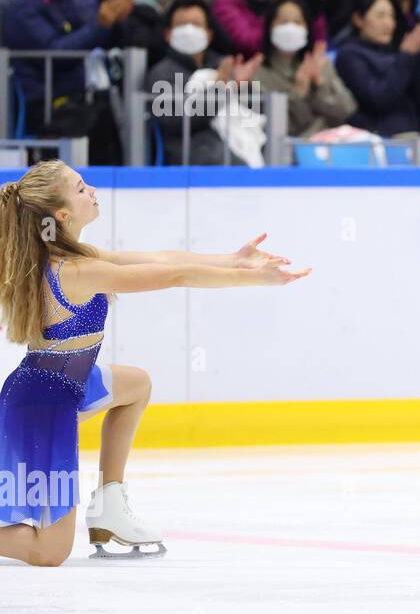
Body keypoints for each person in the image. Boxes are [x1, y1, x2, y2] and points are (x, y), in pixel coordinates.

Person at [0, 160, 308, 567]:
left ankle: (110, 502)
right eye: (79, 188)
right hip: (43, 407)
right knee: (50, 551)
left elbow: (163, 257)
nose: (91, 189)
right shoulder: (78, 271)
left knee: (135, 385)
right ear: (61, 215)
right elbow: (173, 276)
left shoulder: (79, 258)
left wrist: (234, 260)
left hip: (62, 386)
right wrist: (255, 279)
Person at [2, 0, 134, 166]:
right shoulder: (23, 8)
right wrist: (101, 26)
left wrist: (118, 21)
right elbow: (56, 54)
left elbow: (106, 40)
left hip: (90, 100)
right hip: (49, 106)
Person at [146, 0, 264, 165]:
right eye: (181, 25)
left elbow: (257, 113)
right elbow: (177, 120)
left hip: (236, 150)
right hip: (192, 158)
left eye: (196, 24)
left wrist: (242, 86)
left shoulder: (223, 65)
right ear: (167, 34)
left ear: (208, 35)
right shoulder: (161, 74)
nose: (188, 30)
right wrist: (220, 89)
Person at [255, 0, 357, 138]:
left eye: (298, 22)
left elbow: (347, 109)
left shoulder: (320, 64)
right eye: (283, 22)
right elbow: (272, 128)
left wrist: (319, 85)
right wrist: (297, 94)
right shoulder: (257, 75)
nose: (291, 28)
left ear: (307, 28)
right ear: (270, 27)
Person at [335, 0, 420, 138]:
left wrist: (416, 56)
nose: (389, 24)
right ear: (358, 19)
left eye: (391, 16)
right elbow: (377, 100)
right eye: (380, 16)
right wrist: (406, 57)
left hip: (414, 135)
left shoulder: (397, 54)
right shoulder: (349, 55)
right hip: (376, 139)